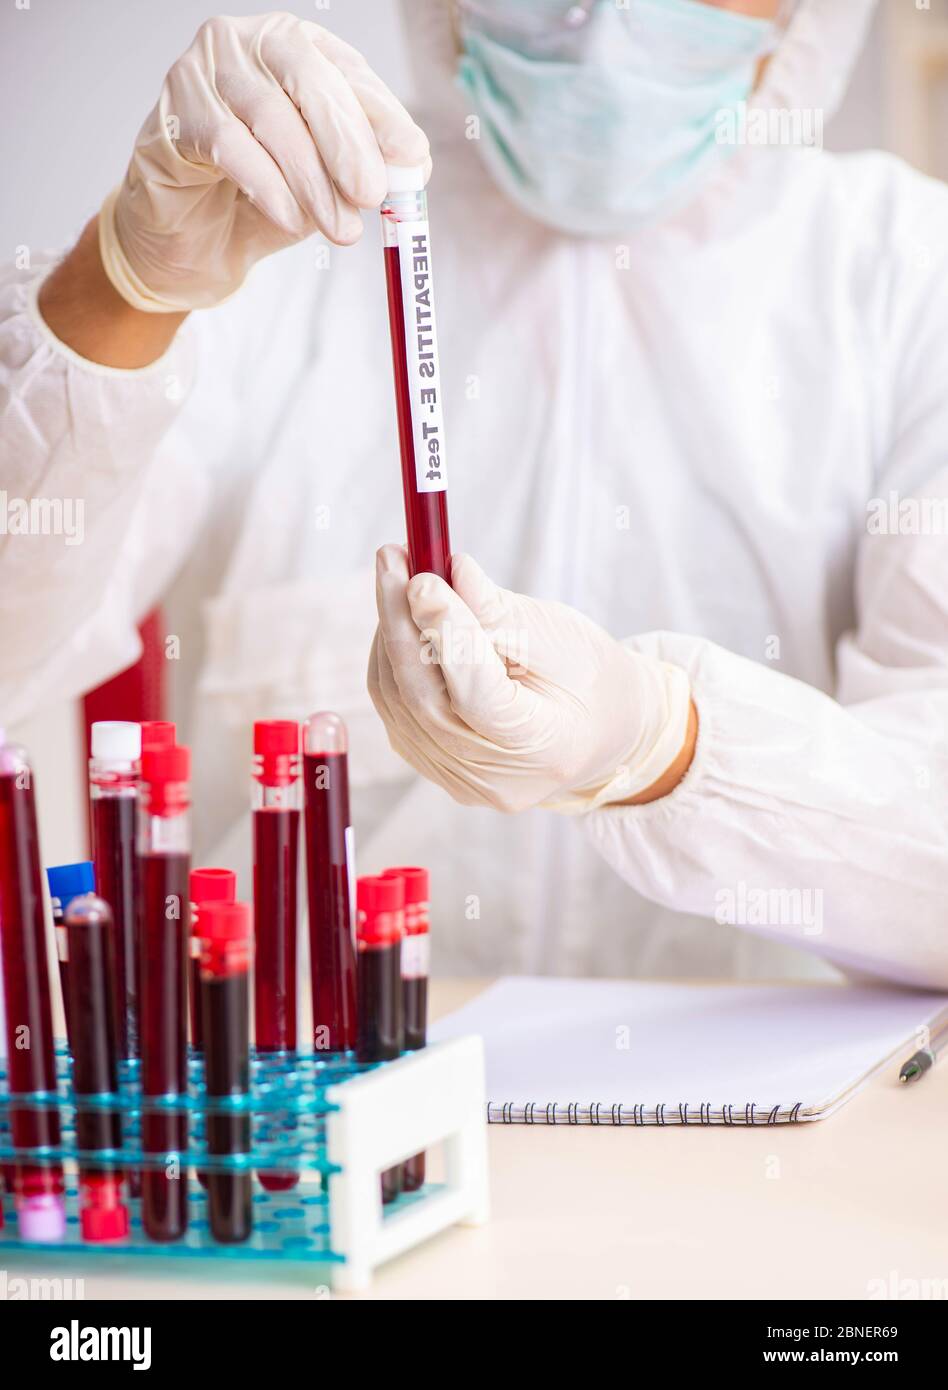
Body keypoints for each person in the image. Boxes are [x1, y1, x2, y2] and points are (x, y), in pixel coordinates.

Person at [1, 2, 946, 986]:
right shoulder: (274, 222)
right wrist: (122, 288)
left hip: (786, 1133)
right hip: (313, 1108)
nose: (602, 18)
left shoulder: (915, 282)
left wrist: (666, 743)